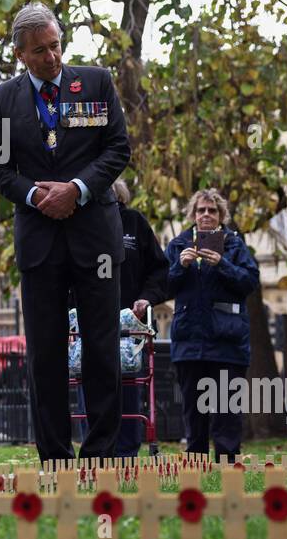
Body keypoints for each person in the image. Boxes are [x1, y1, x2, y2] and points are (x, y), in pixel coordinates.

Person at [0, 2, 131, 463]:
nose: (51, 58)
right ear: (20, 54)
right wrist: (35, 196)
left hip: (95, 240)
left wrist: (77, 189)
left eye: (55, 46)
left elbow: (117, 149)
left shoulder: (96, 82)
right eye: (39, 51)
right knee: (45, 354)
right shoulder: (2, 100)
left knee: (101, 349)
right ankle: (53, 455)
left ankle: (101, 452)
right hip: (40, 242)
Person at [164, 188, 260, 462]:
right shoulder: (178, 244)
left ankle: (228, 465)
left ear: (221, 216)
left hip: (227, 343)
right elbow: (163, 287)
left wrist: (223, 264)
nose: (206, 215)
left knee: (226, 410)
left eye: (212, 210)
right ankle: (196, 465)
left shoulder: (234, 245)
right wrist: (179, 267)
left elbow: (250, 282)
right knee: (193, 411)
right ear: (193, 215)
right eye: (201, 210)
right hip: (189, 344)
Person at [77, 179, 170, 457]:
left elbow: (159, 270)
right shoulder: (80, 224)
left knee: (128, 386)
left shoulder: (134, 223)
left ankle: (126, 450)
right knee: (89, 382)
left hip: (129, 322)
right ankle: (93, 448)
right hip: (89, 319)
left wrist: (147, 298)